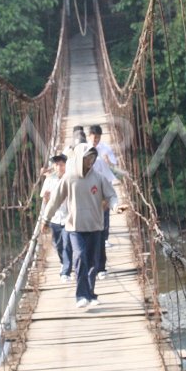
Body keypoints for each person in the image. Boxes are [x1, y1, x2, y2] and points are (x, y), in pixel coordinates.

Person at [41, 143, 116, 309]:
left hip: (95, 227)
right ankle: (81, 295)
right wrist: (46, 219)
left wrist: (117, 206)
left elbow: (111, 195)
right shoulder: (69, 178)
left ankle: (90, 294)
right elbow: (54, 201)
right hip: (75, 227)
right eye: (87, 158)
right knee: (80, 257)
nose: (90, 161)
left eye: (92, 158)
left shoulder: (98, 177)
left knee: (92, 263)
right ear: (79, 159)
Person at [88, 124, 121, 278]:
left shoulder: (103, 153)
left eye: (98, 138)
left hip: (100, 197)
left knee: (100, 233)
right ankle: (90, 267)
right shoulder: (79, 152)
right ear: (88, 136)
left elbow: (113, 171)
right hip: (85, 201)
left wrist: (110, 200)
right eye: (93, 137)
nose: (95, 140)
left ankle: (100, 268)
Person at [40, 154, 72, 283]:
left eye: (62, 165)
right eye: (57, 165)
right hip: (54, 218)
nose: (59, 167)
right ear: (54, 166)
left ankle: (66, 272)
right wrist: (44, 219)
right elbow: (45, 200)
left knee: (67, 243)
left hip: (69, 217)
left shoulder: (70, 179)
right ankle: (63, 262)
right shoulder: (49, 180)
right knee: (58, 245)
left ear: (66, 166)